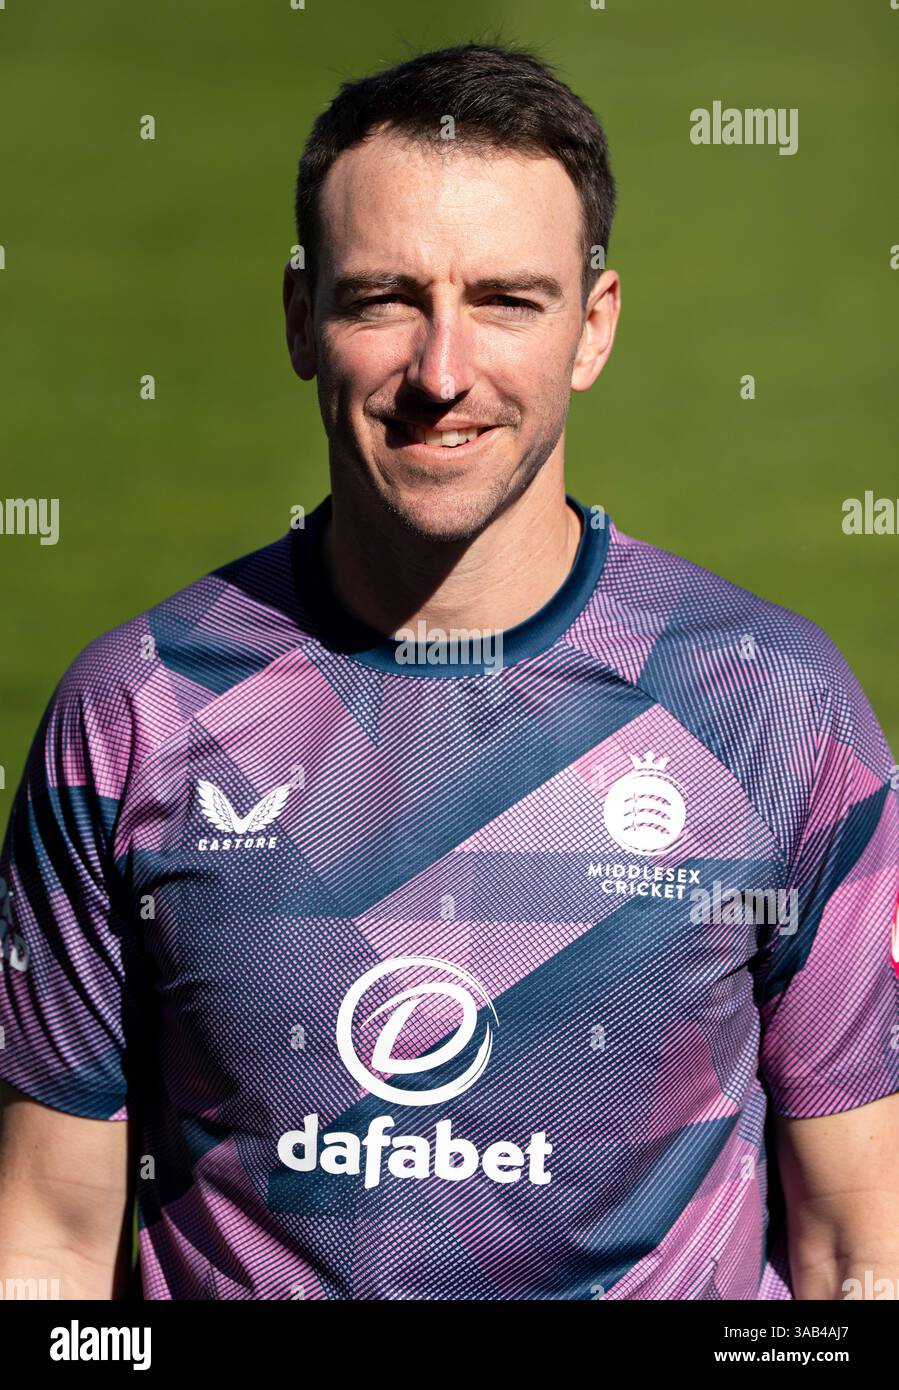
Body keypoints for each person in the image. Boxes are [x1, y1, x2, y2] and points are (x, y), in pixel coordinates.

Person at [1, 41, 898, 1302]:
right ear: (300, 321)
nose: (440, 373)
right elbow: (45, 1239)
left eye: (506, 302)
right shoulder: (139, 712)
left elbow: (859, 1252)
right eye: (382, 300)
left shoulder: (771, 710)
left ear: (591, 329)